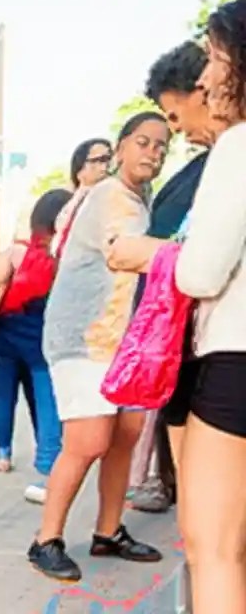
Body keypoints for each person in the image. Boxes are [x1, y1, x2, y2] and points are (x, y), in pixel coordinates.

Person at [28, 111, 170, 581]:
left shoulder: (137, 196)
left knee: (126, 437)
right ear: (122, 147)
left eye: (161, 147)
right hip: (83, 339)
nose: (153, 152)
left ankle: (108, 531)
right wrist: (186, 255)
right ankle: (45, 539)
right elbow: (123, 250)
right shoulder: (112, 196)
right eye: (144, 142)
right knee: (88, 441)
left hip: (121, 342)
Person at [106, 40, 219, 514]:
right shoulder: (201, 169)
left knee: (212, 526)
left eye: (174, 120)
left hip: (212, 363)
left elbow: (205, 263)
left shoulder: (225, 163)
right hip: (187, 362)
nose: (179, 133)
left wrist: (145, 253)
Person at [170, 0, 246, 614]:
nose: (207, 76)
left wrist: (152, 253)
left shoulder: (238, 147)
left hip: (237, 365)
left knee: (216, 550)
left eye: (217, 57)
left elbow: (199, 273)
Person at [0, 188, 72, 505]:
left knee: (4, 394)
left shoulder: (13, 253)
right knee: (45, 398)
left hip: (4, 336)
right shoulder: (59, 260)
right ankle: (48, 462)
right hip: (38, 339)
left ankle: (3, 453)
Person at [51, 138, 114, 258]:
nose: (106, 166)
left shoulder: (113, 198)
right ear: (79, 169)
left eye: (109, 159)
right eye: (100, 160)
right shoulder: (71, 205)